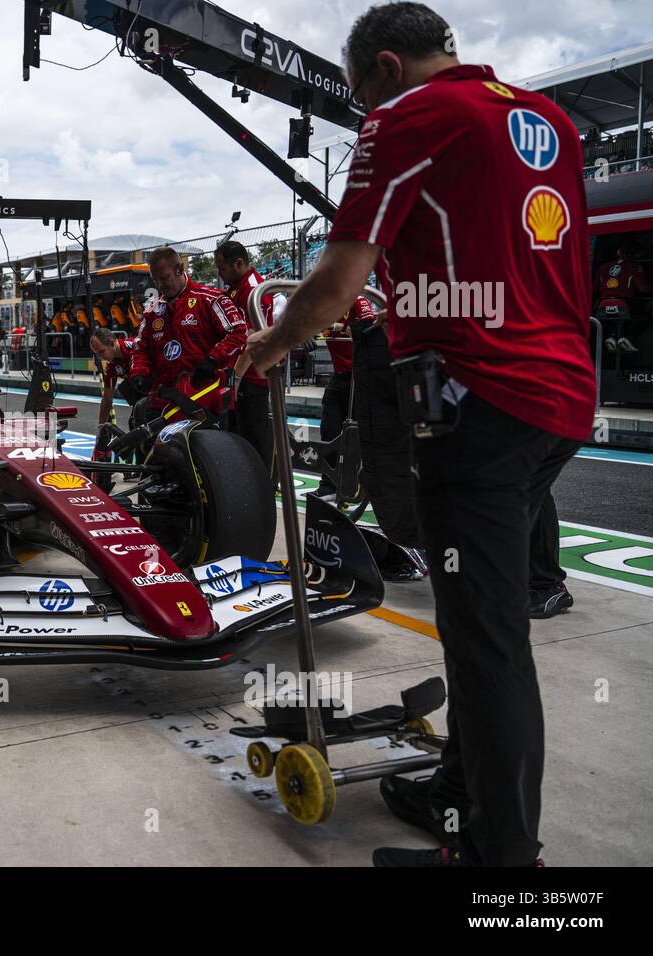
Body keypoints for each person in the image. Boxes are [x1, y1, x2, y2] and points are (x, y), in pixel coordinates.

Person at [238, 2, 595, 867]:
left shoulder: (409, 115)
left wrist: (268, 346)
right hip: (558, 395)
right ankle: (457, 793)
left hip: (478, 400)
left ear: (386, 69)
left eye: (360, 97)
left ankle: (501, 865)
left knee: (487, 634)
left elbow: (336, 278)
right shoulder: (545, 117)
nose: (363, 117)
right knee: (483, 616)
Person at [129, 246, 247, 423]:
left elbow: (238, 333)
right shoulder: (152, 310)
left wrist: (213, 359)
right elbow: (140, 347)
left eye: (164, 278)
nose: (160, 285)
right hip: (164, 402)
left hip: (203, 398)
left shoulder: (211, 299)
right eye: (155, 280)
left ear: (180, 270)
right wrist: (139, 372)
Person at [215, 240, 286, 474]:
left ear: (238, 263)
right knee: (235, 441)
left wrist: (235, 377)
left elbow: (255, 335)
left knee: (254, 444)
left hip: (252, 380)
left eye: (222, 269)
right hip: (238, 380)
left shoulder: (254, 289)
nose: (219, 274)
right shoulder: (236, 288)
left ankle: (262, 491)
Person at [315, 295, 376, 497]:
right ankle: (329, 484)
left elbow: (370, 327)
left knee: (360, 434)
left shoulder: (358, 301)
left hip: (361, 376)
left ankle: (360, 486)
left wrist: (338, 326)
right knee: (328, 430)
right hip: (339, 376)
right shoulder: (323, 303)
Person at [596, 241, 652, 352]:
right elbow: (643, 288)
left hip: (602, 305)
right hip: (625, 303)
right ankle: (627, 338)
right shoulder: (634, 266)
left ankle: (611, 336)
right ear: (636, 254)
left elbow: (595, 288)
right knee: (645, 317)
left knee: (612, 320)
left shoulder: (603, 267)